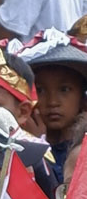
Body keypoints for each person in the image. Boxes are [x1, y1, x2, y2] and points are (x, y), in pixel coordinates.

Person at [24, 32, 87, 182]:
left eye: (64, 89)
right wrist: (35, 144)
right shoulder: (20, 146)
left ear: (83, 99)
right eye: (40, 90)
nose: (52, 102)